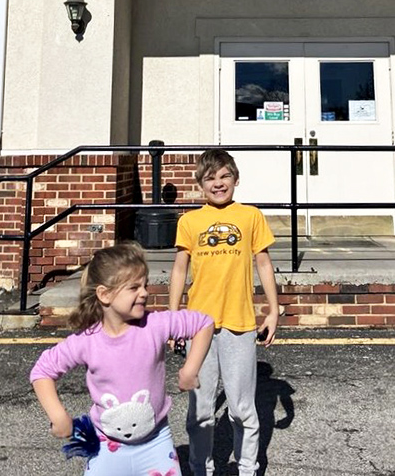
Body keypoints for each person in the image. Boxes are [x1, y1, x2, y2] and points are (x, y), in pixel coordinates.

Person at [30, 241, 214, 475]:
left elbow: (203, 323)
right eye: (134, 287)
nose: (144, 293)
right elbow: (42, 371)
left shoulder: (155, 325)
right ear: (104, 294)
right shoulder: (86, 341)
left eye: (144, 285)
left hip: (155, 443)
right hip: (106, 447)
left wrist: (190, 369)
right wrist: (59, 416)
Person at [169, 149, 280, 476]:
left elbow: (263, 263)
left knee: (242, 409)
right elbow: (179, 270)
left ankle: (247, 469)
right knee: (201, 412)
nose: (218, 183)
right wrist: (173, 317)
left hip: (239, 325)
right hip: (197, 327)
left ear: (235, 179)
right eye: (210, 178)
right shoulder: (189, 221)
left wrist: (273, 310)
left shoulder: (250, 216)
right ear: (200, 184)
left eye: (224, 176)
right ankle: (199, 469)